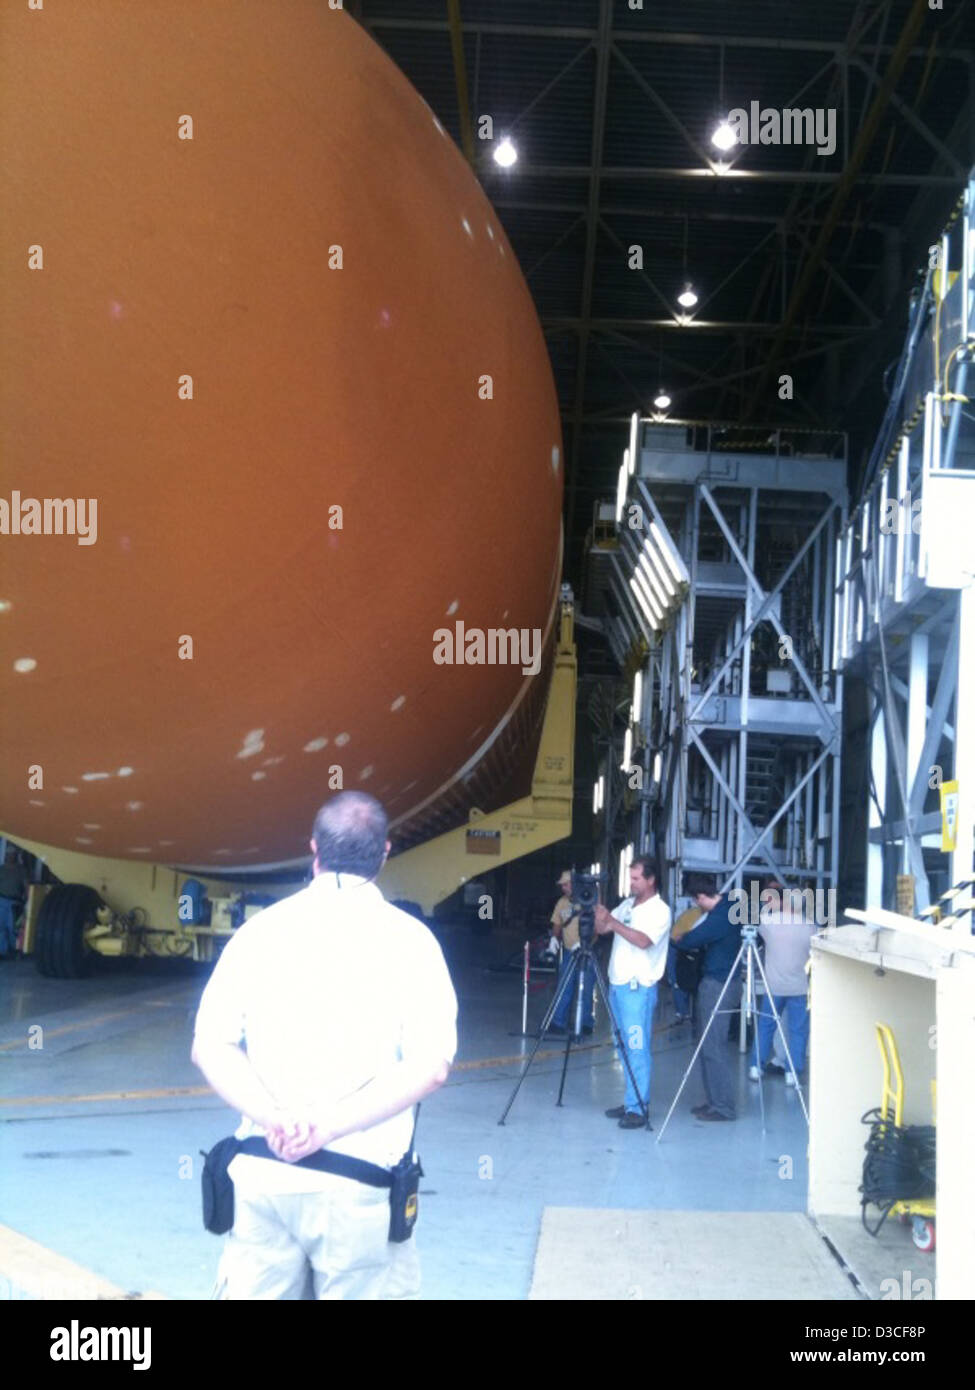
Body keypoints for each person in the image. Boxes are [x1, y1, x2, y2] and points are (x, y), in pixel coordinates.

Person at [191, 791, 458, 1300]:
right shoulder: (412, 942)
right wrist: (326, 1128)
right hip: (358, 1187)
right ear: (384, 853)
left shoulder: (258, 933)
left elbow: (210, 1045)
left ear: (313, 849)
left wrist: (274, 1119)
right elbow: (431, 1067)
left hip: (263, 1173)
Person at [593, 855, 671, 1129]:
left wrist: (612, 924)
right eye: (631, 877)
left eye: (637, 878)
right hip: (617, 985)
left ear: (651, 880)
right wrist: (599, 914)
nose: (632, 883)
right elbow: (601, 930)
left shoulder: (660, 910)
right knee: (622, 1046)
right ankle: (631, 1100)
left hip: (638, 988)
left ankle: (639, 1107)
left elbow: (643, 940)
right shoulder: (627, 904)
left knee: (637, 1047)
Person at [673, 874, 741, 1121]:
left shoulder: (719, 918)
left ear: (701, 897)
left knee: (713, 1047)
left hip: (717, 985)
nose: (697, 905)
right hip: (727, 983)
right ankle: (714, 1101)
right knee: (709, 1045)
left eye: (696, 901)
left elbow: (690, 940)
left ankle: (723, 1106)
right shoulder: (731, 907)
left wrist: (682, 938)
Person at [751, 878, 815, 1087]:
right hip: (799, 987)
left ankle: (756, 1066)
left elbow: (755, 920)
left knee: (766, 1026)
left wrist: (774, 906)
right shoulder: (810, 927)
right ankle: (792, 1072)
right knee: (798, 1031)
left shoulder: (768, 923)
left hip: (774, 987)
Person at [547, 870, 595, 1036]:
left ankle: (585, 1023)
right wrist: (554, 938)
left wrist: (584, 943)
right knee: (564, 986)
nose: (563, 888)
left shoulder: (589, 899)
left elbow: (597, 925)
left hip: (587, 951)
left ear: (574, 884)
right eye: (562, 885)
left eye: (566, 884)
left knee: (586, 988)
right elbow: (557, 922)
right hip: (569, 952)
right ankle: (558, 1022)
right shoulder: (562, 902)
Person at [0, 848, 28, 958]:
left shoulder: (21, 870)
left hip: (15, 902)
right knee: (1, 927)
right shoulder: (1, 869)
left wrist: (27, 899)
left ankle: (14, 950)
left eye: (13, 854)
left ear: (16, 856)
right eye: (9, 854)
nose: (10, 856)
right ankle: (3, 952)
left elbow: (26, 885)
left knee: (13, 928)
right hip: (1, 900)